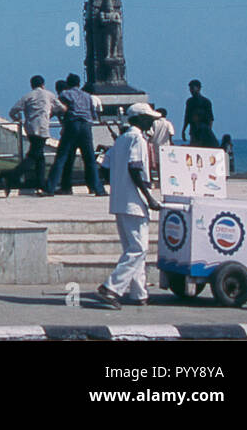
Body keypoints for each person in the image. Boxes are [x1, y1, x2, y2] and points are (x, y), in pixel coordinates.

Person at [96, 103, 163, 308]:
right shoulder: (137, 139)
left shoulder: (121, 140)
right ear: (140, 118)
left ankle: (139, 293)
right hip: (135, 202)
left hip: (120, 201)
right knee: (138, 249)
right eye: (149, 117)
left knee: (132, 249)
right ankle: (112, 288)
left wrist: (119, 184)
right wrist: (149, 198)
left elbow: (105, 169)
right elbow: (135, 169)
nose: (152, 121)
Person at [44, 76, 106, 196]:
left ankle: (51, 188)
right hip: (86, 126)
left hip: (72, 124)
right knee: (90, 159)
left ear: (68, 83)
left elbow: (59, 109)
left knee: (62, 157)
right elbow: (93, 114)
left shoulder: (65, 95)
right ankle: (98, 189)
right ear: (79, 83)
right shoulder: (87, 96)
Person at [1, 75, 62, 192]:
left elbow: (13, 110)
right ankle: (10, 175)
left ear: (32, 85)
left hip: (30, 128)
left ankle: (41, 183)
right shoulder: (49, 95)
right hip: (43, 128)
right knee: (33, 156)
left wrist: (16, 118)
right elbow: (60, 108)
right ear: (43, 84)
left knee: (40, 157)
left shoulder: (28, 96)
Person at [144, 106, 175, 185]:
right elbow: (171, 133)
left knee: (157, 164)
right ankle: (165, 180)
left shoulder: (154, 123)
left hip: (155, 145)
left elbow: (150, 134)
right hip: (166, 146)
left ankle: (160, 180)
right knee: (165, 164)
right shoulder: (168, 123)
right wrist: (171, 143)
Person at [182, 80, 218, 147]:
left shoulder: (206, 102)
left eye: (192, 88)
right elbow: (187, 117)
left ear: (198, 88)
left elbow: (210, 118)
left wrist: (208, 131)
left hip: (204, 130)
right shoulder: (189, 102)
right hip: (193, 130)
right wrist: (183, 130)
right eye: (190, 89)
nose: (191, 90)